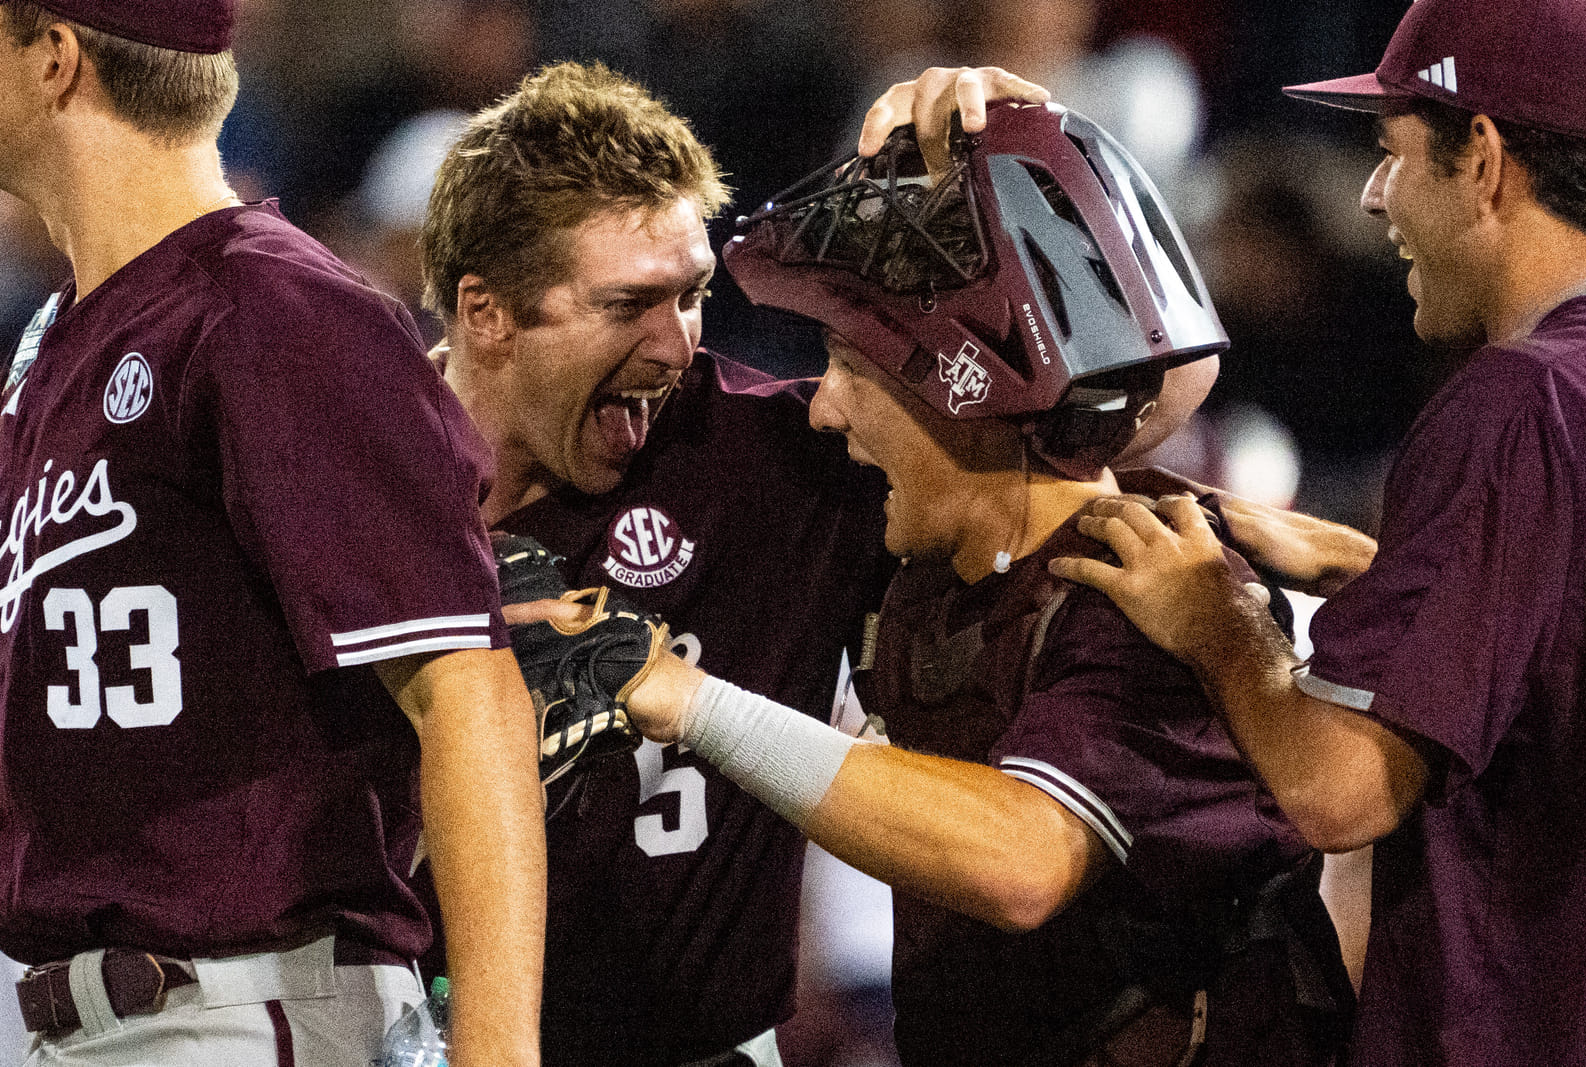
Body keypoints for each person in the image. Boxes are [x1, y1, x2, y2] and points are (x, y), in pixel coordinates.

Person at [558, 98, 1354, 1067]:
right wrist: (991, 127)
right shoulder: (936, 559)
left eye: (851, 365)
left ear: (964, 384)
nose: (824, 409)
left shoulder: (1150, 590)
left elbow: (1021, 860)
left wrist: (682, 698)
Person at [421, 60, 1063, 1067]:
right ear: (486, 310)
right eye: (630, 302)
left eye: (693, 295)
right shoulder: (338, 487)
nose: (676, 346)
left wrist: (1037, 173)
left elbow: (1086, 441)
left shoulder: (777, 463)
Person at [1050, 1, 1586, 1064]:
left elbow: (1340, 788)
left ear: (1480, 157)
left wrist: (1218, 621)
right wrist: (1374, 568)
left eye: (1393, 152)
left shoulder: (1516, 400)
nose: (1372, 192)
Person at [0, 3, 545, 1065]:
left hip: (245, 1009)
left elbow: (469, 694)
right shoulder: (58, 337)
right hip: (85, 1017)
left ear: (56, 58)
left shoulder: (271, 309)